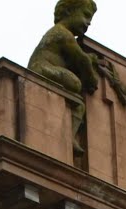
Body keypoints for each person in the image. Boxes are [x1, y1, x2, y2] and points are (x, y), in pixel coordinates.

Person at [28, 0, 98, 158]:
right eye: (86, 16)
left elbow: (78, 57)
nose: (88, 23)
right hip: (41, 69)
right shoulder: (62, 33)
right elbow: (82, 60)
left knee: (79, 104)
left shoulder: (61, 34)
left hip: (44, 68)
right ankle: (68, 137)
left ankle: (70, 137)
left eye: (90, 20)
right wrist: (91, 79)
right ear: (68, 12)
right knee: (76, 84)